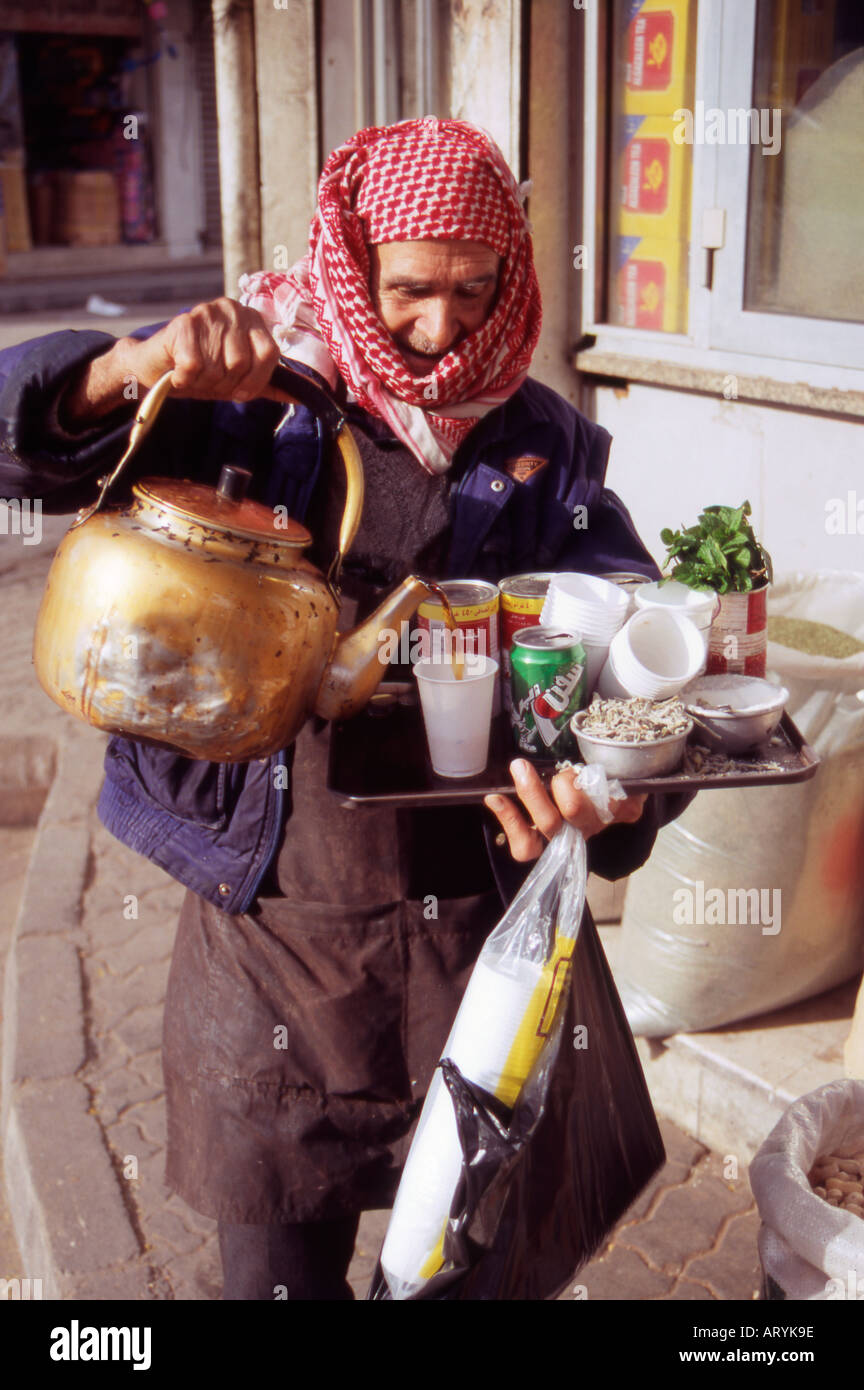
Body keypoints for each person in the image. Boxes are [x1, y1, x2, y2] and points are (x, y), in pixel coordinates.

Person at [0, 117, 680, 1300]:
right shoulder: (254, 394)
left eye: (477, 292)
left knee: (463, 1258)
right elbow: (21, 442)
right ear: (351, 264)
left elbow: (622, 625)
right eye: (411, 289)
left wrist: (601, 794)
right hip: (273, 929)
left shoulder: (543, 440)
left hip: (477, 932)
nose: (441, 329)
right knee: (277, 1269)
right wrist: (132, 362)